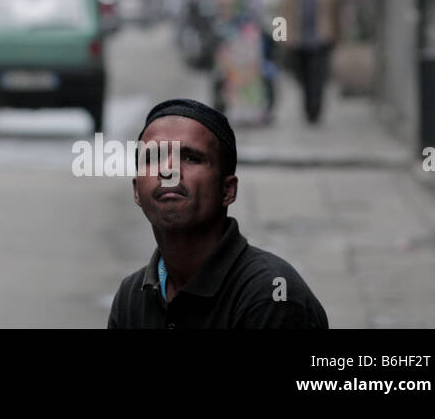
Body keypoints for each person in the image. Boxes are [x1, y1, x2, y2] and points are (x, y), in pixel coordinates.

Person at [107, 99, 328, 328]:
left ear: (227, 190)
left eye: (191, 158)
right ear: (136, 191)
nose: (168, 170)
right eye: (153, 158)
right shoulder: (131, 297)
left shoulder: (271, 296)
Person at [279, 0, 340, 124]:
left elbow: (336, 12)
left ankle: (315, 110)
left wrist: (337, 37)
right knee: (302, 76)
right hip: (298, 39)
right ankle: (308, 106)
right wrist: (281, 37)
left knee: (317, 77)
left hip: (320, 39)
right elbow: (282, 11)